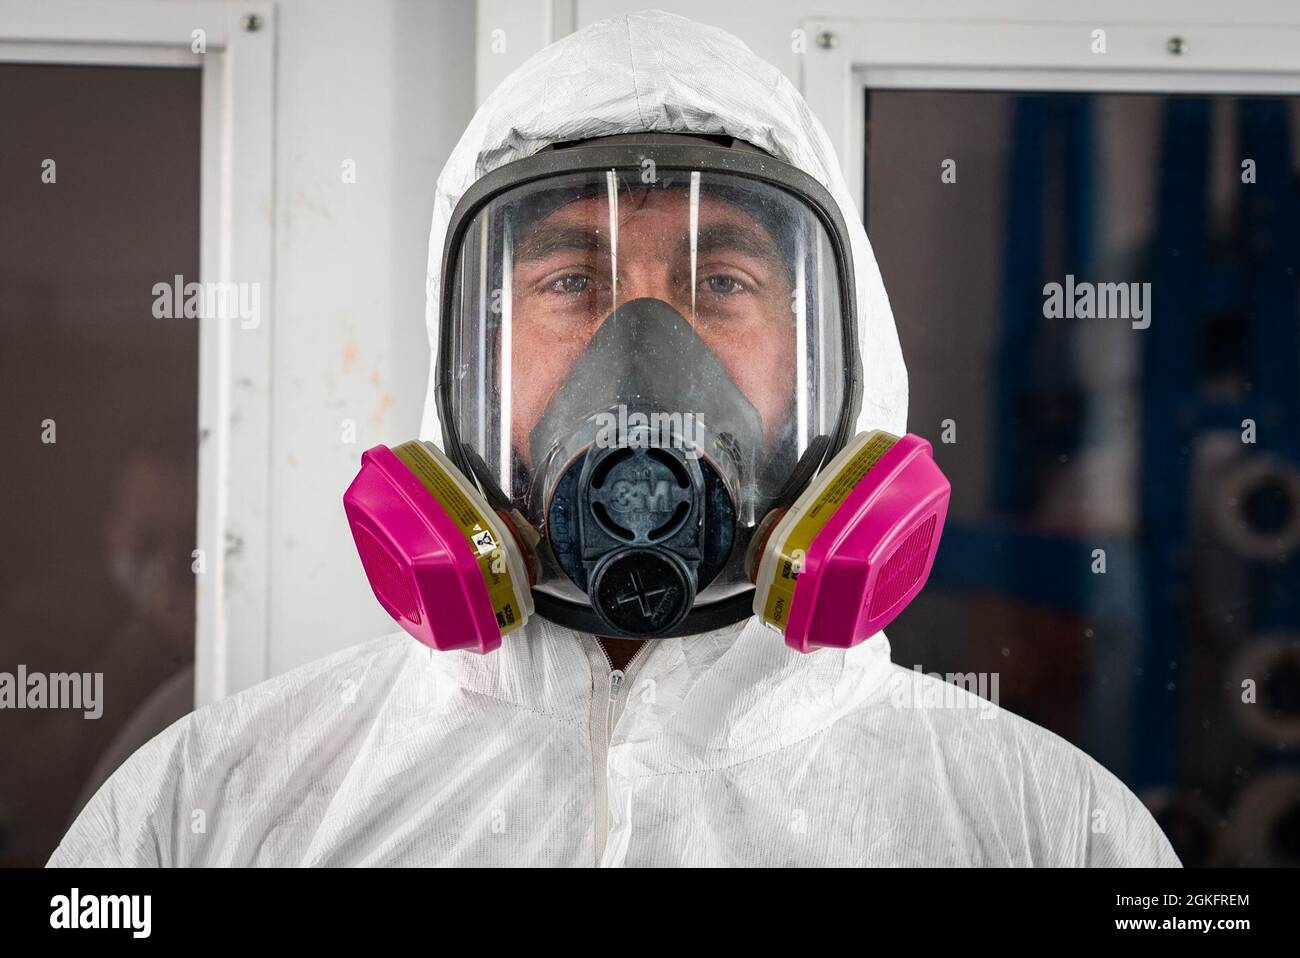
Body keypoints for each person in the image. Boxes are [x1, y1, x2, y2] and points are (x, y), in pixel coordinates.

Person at [49, 10, 1179, 867]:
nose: (645, 352)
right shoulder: (211, 811)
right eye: (571, 278)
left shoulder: (1046, 831)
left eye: (723, 277)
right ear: (470, 352)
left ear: (837, 352)